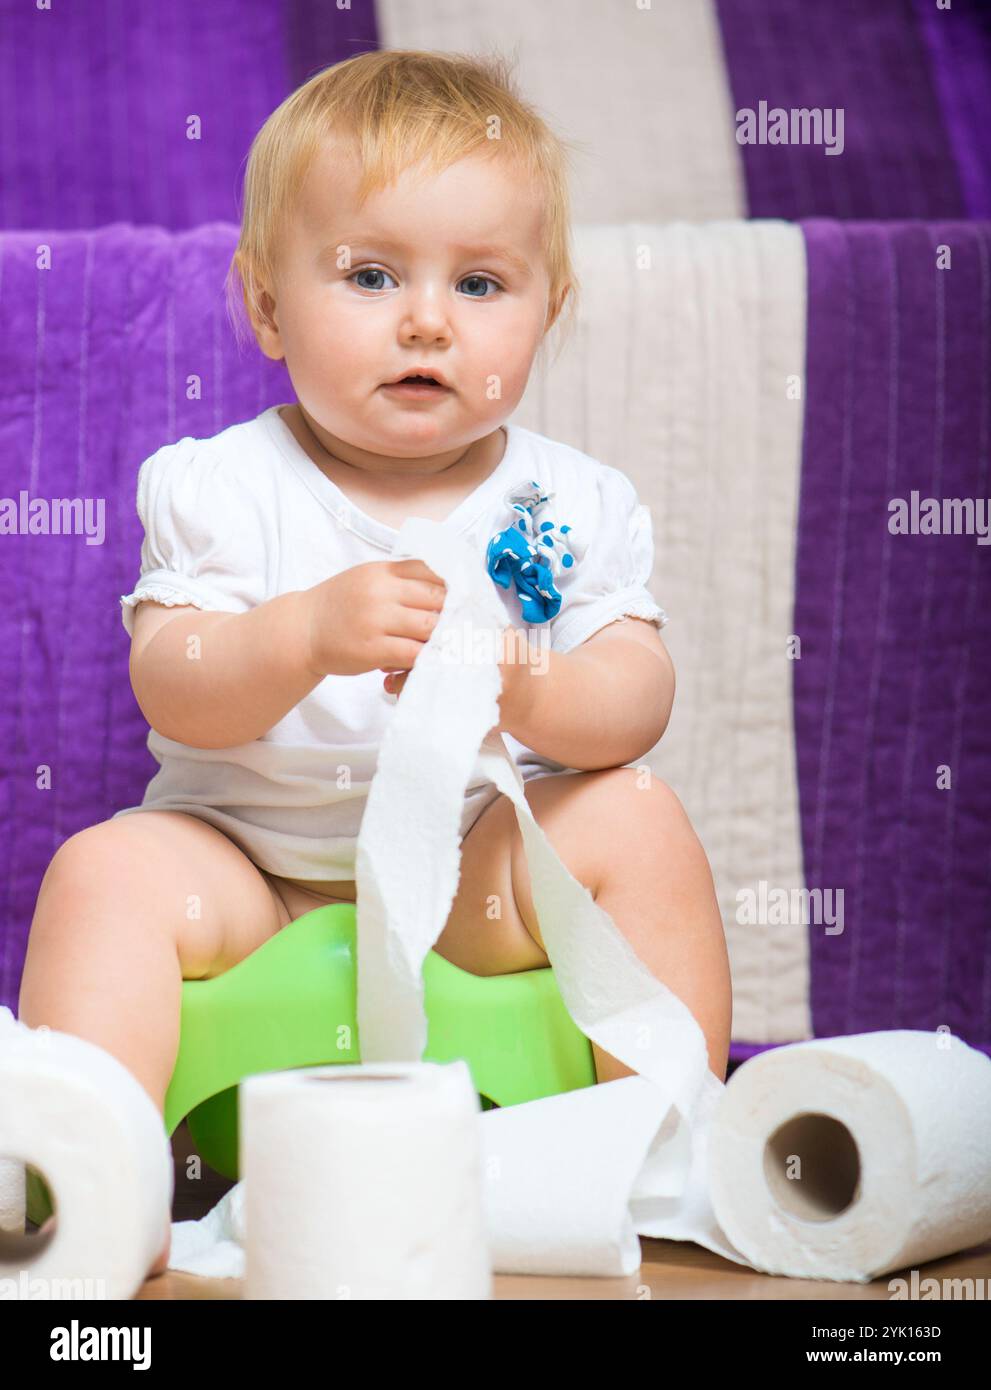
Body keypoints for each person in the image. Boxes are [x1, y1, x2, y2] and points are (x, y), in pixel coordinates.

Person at [18, 49, 731, 1281]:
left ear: (548, 309)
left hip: (473, 879)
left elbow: (639, 689)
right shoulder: (226, 487)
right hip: (249, 880)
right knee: (101, 872)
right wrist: (296, 638)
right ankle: (86, 1170)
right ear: (266, 304)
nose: (426, 319)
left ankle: (667, 1150)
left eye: (481, 282)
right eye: (368, 274)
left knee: (638, 818)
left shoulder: (567, 499)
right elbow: (170, 673)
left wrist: (532, 690)